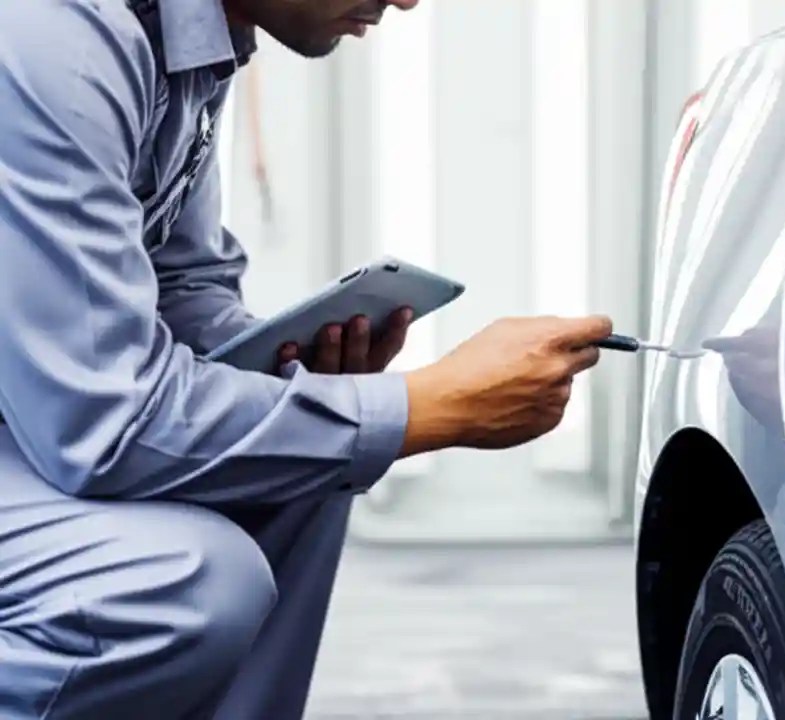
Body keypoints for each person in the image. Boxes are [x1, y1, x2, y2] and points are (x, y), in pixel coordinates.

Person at [0, 0, 612, 717]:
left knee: (302, 468)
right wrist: (423, 408)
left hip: (31, 406)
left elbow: (179, 282)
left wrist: (289, 365)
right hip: (50, 416)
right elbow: (104, 427)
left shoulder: (190, 36)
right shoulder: (60, 35)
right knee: (185, 584)